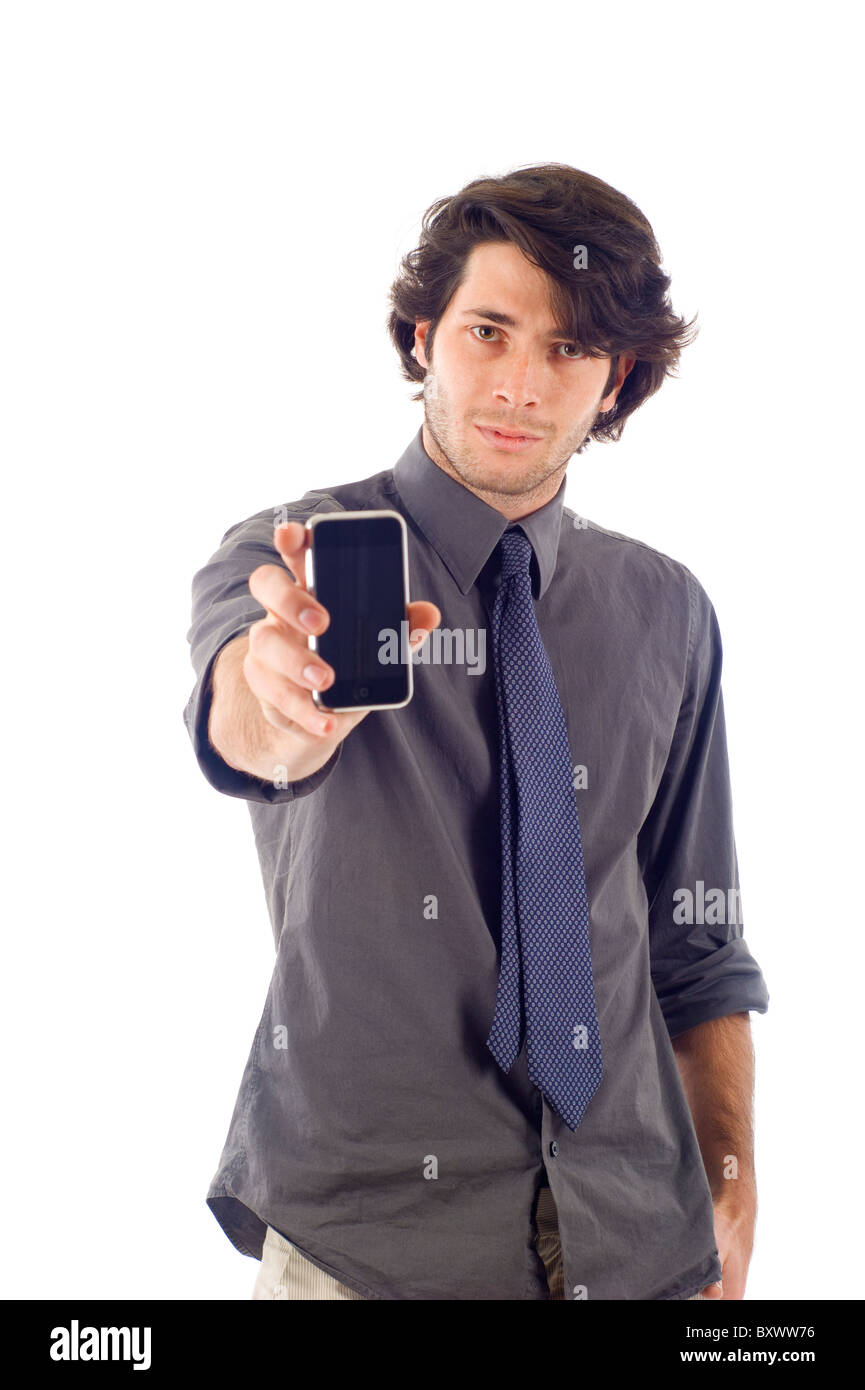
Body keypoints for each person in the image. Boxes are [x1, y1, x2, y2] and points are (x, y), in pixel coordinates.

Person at [183, 163, 769, 1301]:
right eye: (487, 331)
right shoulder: (288, 557)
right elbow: (248, 725)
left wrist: (733, 1177)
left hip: (641, 1240)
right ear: (421, 339)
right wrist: (286, 706)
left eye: (568, 350)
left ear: (619, 382)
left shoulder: (665, 609)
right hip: (369, 1247)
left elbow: (697, 939)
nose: (518, 384)